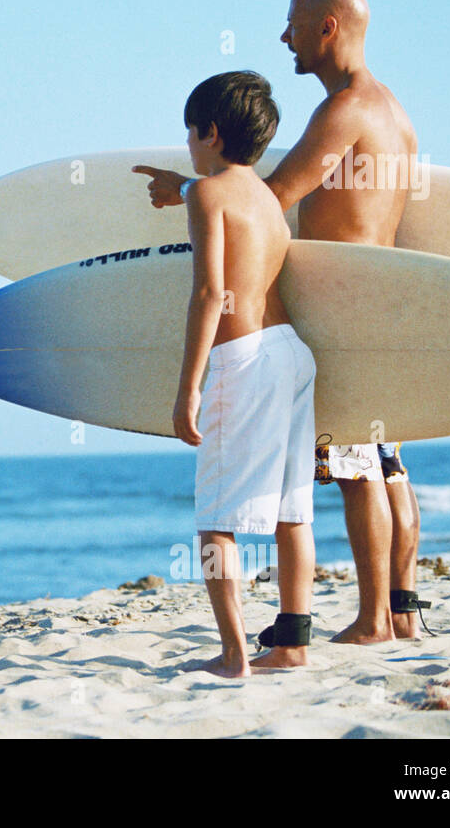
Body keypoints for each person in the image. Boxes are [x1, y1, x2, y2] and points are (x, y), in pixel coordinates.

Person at [140, 0, 427, 644]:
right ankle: (400, 608)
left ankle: (374, 619)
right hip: (381, 297)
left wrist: (190, 189)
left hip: (344, 306)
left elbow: (267, 199)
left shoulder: (346, 111)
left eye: (293, 25)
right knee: (384, 461)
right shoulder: (395, 113)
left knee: (357, 471)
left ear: (327, 28)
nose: (284, 38)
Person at [151, 71, 317, 677]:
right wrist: (188, 185)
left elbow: (209, 294)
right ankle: (293, 643)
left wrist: (188, 387)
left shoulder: (207, 196)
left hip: (243, 360)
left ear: (210, 133)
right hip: (292, 353)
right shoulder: (267, 200)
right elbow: (229, 203)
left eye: (190, 134)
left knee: (217, 518)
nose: (189, 146)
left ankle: (233, 654)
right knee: (291, 511)